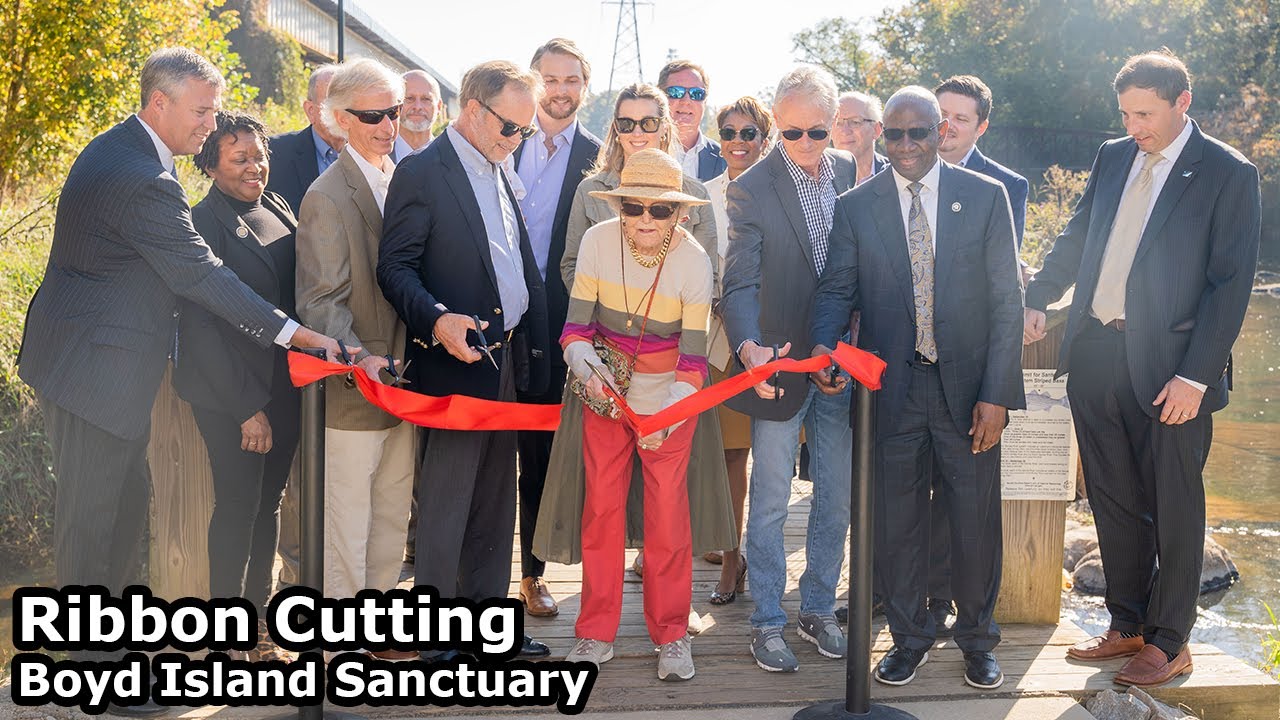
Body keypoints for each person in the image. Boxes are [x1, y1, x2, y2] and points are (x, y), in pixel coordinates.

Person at [16, 47, 341, 716]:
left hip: (98, 365)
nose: (210, 123)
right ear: (159, 103)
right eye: (202, 110)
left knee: (124, 507)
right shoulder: (140, 177)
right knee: (92, 520)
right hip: (89, 370)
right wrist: (296, 334)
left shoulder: (127, 155)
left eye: (215, 108)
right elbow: (201, 276)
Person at [1024, 50, 1260, 688]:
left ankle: (1170, 640)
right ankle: (1126, 622)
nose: (1134, 126)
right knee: (1111, 492)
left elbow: (1229, 288)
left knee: (1175, 502)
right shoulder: (1112, 156)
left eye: (1145, 114)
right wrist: (1037, 294)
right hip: (1097, 350)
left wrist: (1197, 375)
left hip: (1175, 368)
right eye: (1126, 113)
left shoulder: (1228, 173)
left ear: (1183, 102)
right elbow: (1078, 234)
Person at [810, 86, 1024, 690]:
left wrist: (998, 396)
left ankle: (978, 641)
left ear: (941, 132)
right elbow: (836, 291)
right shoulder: (856, 206)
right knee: (896, 525)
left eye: (918, 133)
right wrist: (826, 348)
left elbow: (1009, 300)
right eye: (895, 134)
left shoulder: (985, 198)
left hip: (969, 395)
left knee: (973, 523)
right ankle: (909, 639)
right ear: (883, 136)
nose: (906, 146)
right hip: (889, 393)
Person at [378, 59, 551, 661]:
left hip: (504, 362)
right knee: (448, 505)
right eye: (511, 128)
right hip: (454, 363)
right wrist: (436, 318)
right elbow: (393, 268)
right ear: (473, 111)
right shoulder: (423, 173)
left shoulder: (498, 166)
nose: (517, 141)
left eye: (524, 132)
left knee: (494, 503)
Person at [541, 82, 732, 585]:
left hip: (674, 361)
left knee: (669, 504)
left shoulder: (691, 209)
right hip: (604, 361)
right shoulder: (592, 197)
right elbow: (572, 271)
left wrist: (680, 378)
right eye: (626, 123)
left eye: (649, 122)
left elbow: (705, 277)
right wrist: (594, 335)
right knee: (602, 501)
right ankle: (596, 625)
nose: (638, 132)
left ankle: (669, 620)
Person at [720, 65, 856, 672]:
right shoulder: (751, 185)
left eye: (817, 133)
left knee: (835, 498)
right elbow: (739, 278)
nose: (803, 144)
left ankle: (819, 608)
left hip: (839, 362)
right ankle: (768, 619)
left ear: (835, 127)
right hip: (776, 362)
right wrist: (748, 344)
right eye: (792, 131)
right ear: (776, 122)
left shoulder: (851, 172)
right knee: (772, 498)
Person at [560, 148, 712, 682]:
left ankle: (671, 634)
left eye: (660, 209)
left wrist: (674, 404)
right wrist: (579, 357)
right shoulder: (597, 240)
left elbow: (695, 357)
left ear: (681, 213)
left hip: (669, 394)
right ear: (618, 206)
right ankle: (595, 630)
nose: (645, 219)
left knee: (667, 514)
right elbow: (576, 326)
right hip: (605, 388)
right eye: (633, 207)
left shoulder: (695, 261)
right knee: (601, 507)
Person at [293, 58, 415, 660]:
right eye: (372, 115)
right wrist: (362, 361)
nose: (388, 125)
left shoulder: (399, 176)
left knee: (391, 518)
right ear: (339, 120)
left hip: (405, 389)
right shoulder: (325, 196)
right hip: (353, 391)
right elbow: (320, 303)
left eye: (393, 112)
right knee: (347, 529)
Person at [173, 111, 299, 664]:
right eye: (240, 158)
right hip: (231, 394)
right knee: (236, 505)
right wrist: (248, 408)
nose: (256, 167)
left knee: (267, 503)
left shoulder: (275, 205)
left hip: (283, 385)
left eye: (260, 154)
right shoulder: (200, 224)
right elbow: (200, 327)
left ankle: (258, 626)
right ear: (209, 164)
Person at [927, 73, 1032, 636]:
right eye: (940, 113)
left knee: (966, 500)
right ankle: (905, 596)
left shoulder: (1003, 186)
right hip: (911, 359)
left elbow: (1003, 280)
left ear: (980, 126)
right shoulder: (901, 163)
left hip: (969, 360)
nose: (946, 127)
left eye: (959, 118)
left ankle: (966, 617)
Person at [512, 38, 602, 619]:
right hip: (499, 319)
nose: (561, 90)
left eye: (572, 80)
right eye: (551, 78)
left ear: (584, 87)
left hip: (565, 323)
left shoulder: (596, 157)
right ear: (532, 81)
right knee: (496, 446)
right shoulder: (503, 142)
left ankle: (534, 572)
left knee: (547, 452)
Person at [702, 96, 772, 604]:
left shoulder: (781, 191)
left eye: (750, 133)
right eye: (730, 132)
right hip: (718, 342)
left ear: (764, 139)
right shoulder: (701, 198)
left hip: (775, 340)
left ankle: (763, 568)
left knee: (769, 462)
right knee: (728, 458)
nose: (739, 142)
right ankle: (730, 559)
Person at [266, 64, 343, 213]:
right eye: (331, 102)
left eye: (346, 100)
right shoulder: (274, 154)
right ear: (310, 110)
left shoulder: (371, 152)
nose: (341, 110)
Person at [658, 59, 726, 181]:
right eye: (676, 92)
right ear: (659, 98)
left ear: (705, 101)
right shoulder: (644, 152)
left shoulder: (724, 159)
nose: (686, 101)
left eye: (697, 93)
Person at [832, 91, 888, 185]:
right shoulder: (819, 178)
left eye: (855, 122)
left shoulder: (895, 175)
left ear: (876, 130)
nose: (845, 131)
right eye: (838, 123)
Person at [396, 69, 442, 159]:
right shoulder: (376, 153)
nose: (417, 107)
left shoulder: (452, 159)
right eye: (409, 98)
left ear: (439, 107)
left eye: (426, 99)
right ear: (396, 104)